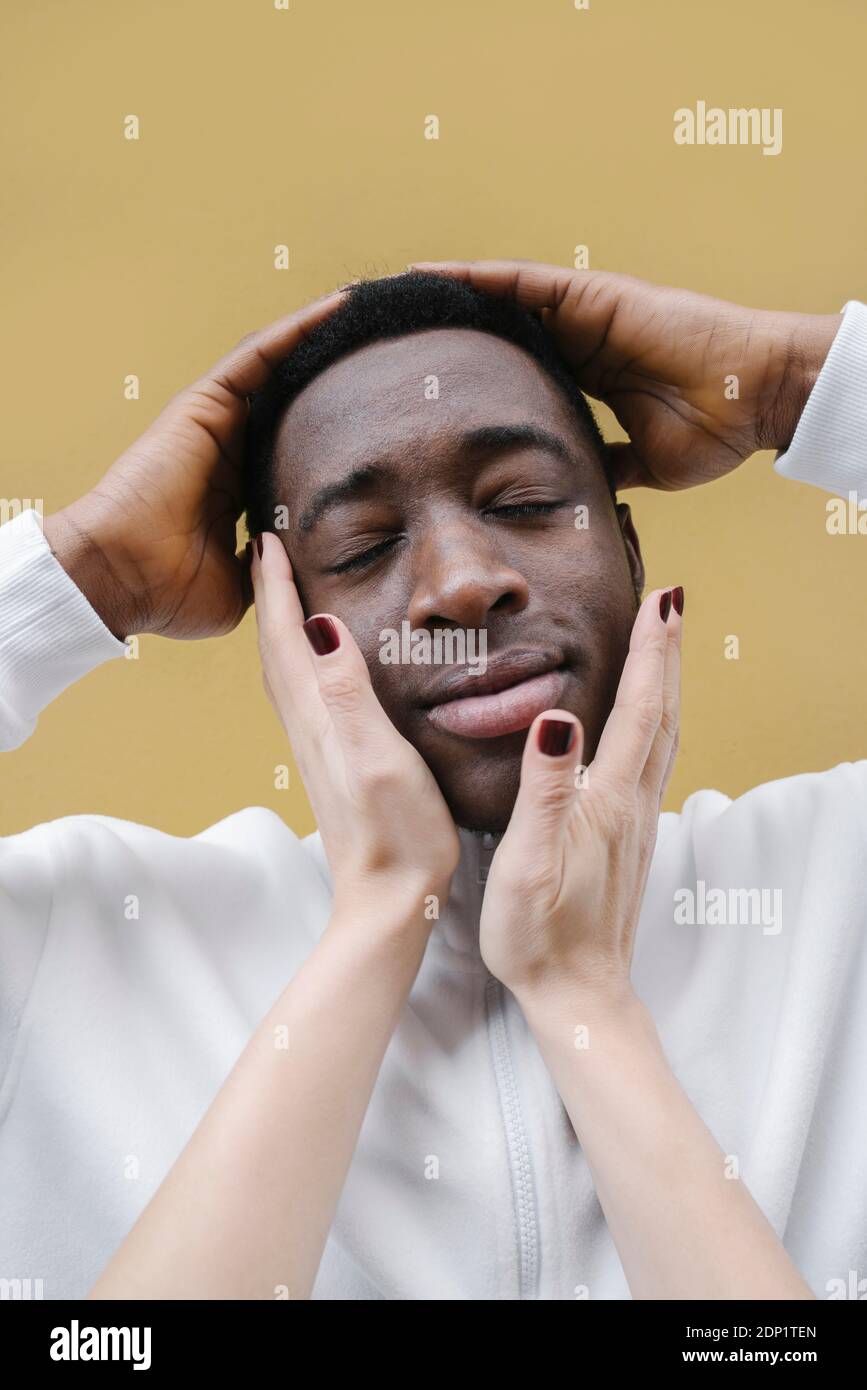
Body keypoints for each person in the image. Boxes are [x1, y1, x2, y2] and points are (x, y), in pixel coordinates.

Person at [0, 262, 863, 1301]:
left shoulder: (836, 874)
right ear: (284, 626)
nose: (461, 583)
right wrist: (87, 577)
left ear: (630, 552)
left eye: (531, 502)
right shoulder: (80, 934)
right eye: (363, 547)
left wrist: (794, 384)